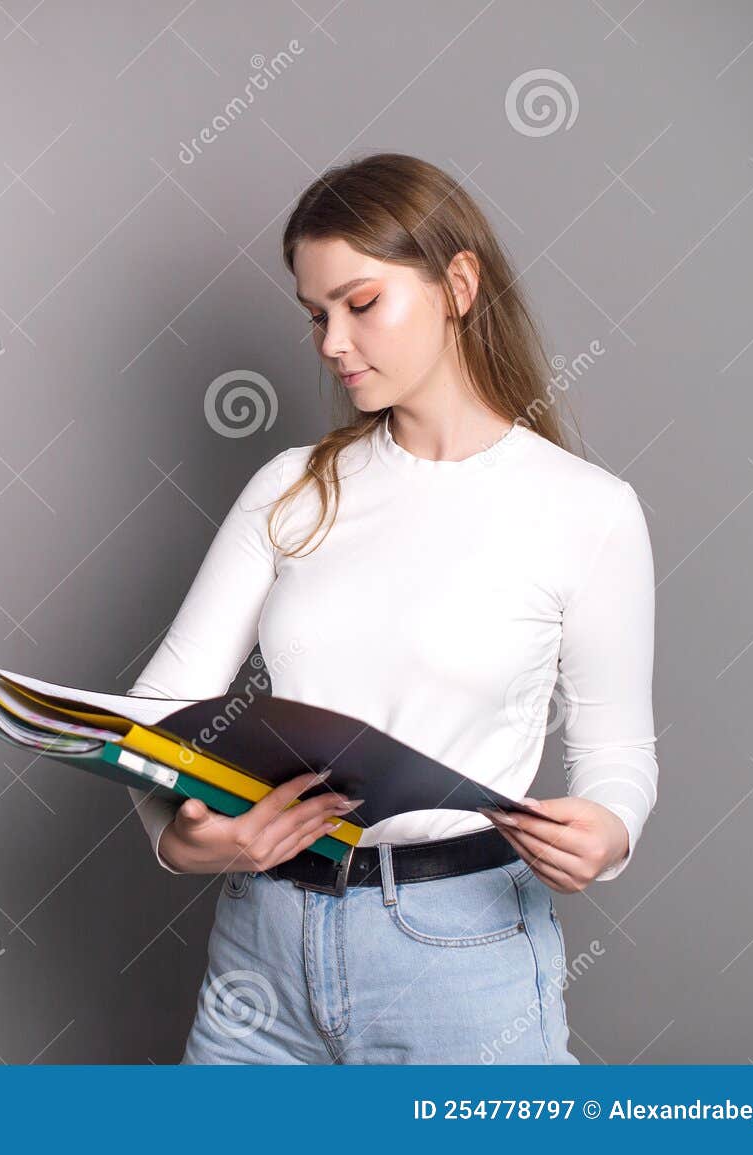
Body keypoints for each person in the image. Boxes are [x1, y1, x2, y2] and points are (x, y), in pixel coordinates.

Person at [126, 152, 658, 1065]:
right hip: (262, 952)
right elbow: (153, 712)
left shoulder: (590, 510)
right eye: (316, 315)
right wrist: (184, 844)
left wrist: (606, 834)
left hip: (461, 956)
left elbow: (620, 758)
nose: (333, 342)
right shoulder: (289, 488)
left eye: (360, 303)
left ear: (457, 284)